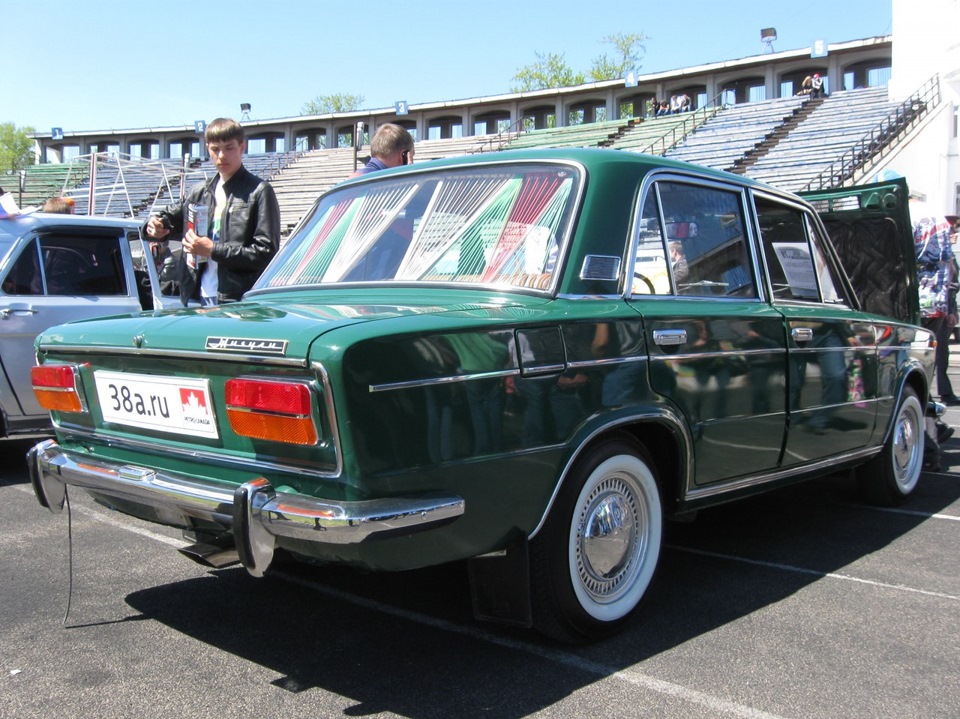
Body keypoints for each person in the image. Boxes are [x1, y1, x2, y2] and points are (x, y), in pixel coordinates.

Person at [145, 117, 280, 307]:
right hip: (195, 296)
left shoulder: (259, 191)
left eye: (229, 147)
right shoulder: (199, 192)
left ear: (242, 147)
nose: (222, 156)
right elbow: (166, 219)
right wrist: (154, 226)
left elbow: (266, 252)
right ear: (207, 148)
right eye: (215, 149)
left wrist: (213, 250)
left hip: (238, 300)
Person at [914, 212, 959, 405]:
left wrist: (952, 311)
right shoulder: (940, 254)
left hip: (941, 307)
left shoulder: (943, 254)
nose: (955, 234)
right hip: (935, 307)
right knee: (931, 354)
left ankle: (938, 396)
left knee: (936, 353)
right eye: (954, 231)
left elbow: (952, 283)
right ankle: (932, 399)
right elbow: (950, 280)